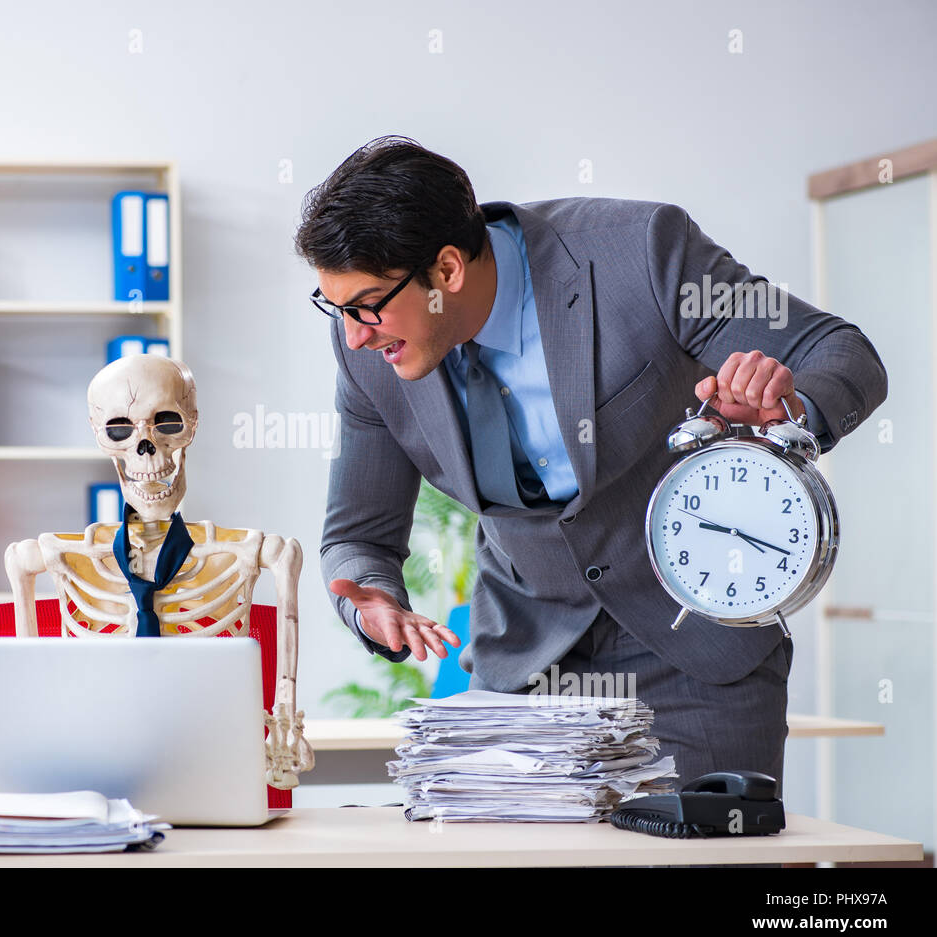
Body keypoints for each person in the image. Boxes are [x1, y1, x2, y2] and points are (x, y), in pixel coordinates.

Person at [295, 135, 888, 793]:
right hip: (524, 667)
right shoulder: (367, 351)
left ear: (447, 269)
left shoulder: (641, 253)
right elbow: (356, 538)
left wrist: (789, 408)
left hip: (697, 658)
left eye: (367, 303)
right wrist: (369, 598)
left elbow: (843, 353)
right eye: (336, 307)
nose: (352, 331)